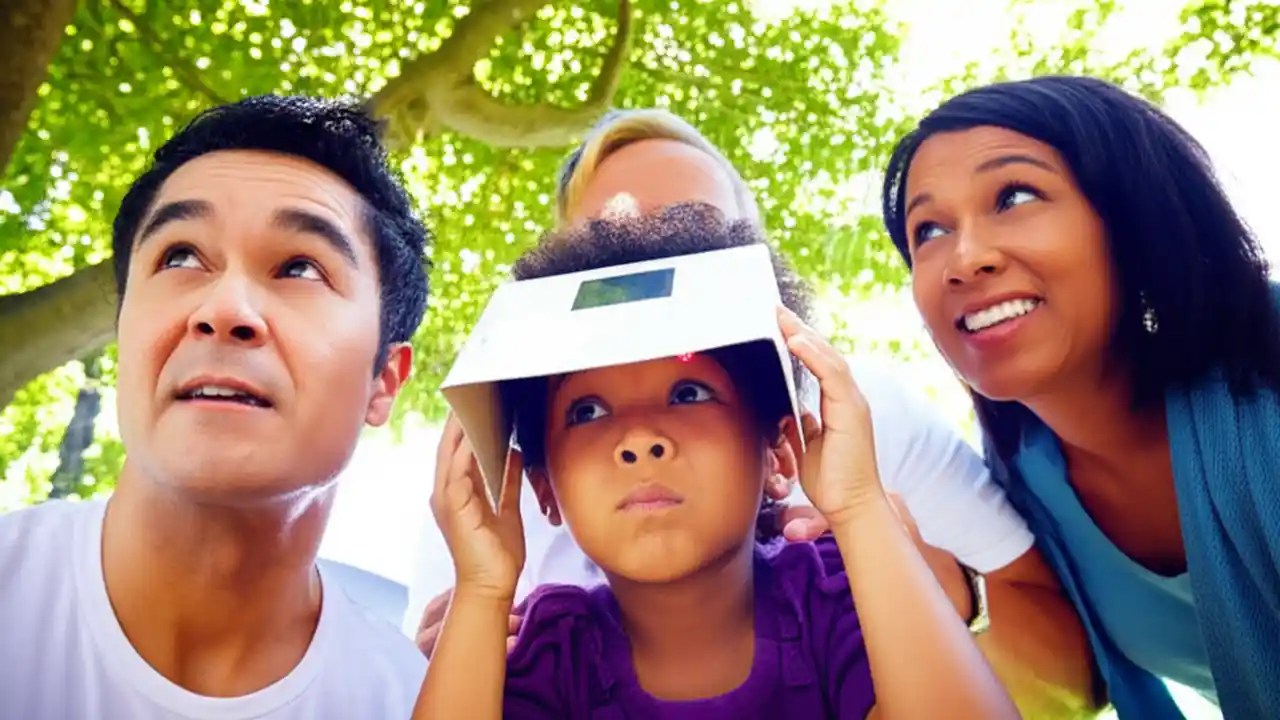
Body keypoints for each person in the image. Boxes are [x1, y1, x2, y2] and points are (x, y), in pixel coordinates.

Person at [409, 108, 1095, 717]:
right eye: (589, 409)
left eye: (698, 229)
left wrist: (890, 549)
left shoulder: (850, 462)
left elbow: (1065, 667)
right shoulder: (537, 611)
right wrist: (475, 613)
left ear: (781, 446)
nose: (640, 437)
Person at [0, 96, 430, 718]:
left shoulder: (416, 701)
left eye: (300, 268)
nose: (225, 309)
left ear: (384, 380)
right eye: (179, 257)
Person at [881, 74, 1280, 719]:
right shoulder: (1023, 484)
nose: (964, 258)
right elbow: (1060, 694)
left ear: (1132, 221)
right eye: (928, 231)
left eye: (1014, 196)